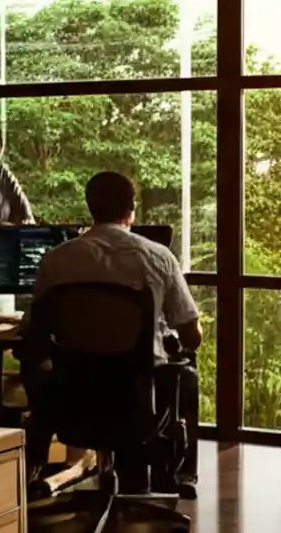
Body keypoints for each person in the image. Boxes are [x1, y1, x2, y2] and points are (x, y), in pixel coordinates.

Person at [18, 171, 202, 488]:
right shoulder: (158, 257)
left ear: (90, 207)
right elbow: (192, 336)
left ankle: (35, 470)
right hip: (133, 398)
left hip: (73, 395)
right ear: (132, 209)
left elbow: (32, 331)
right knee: (188, 373)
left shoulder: (56, 260)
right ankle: (174, 475)